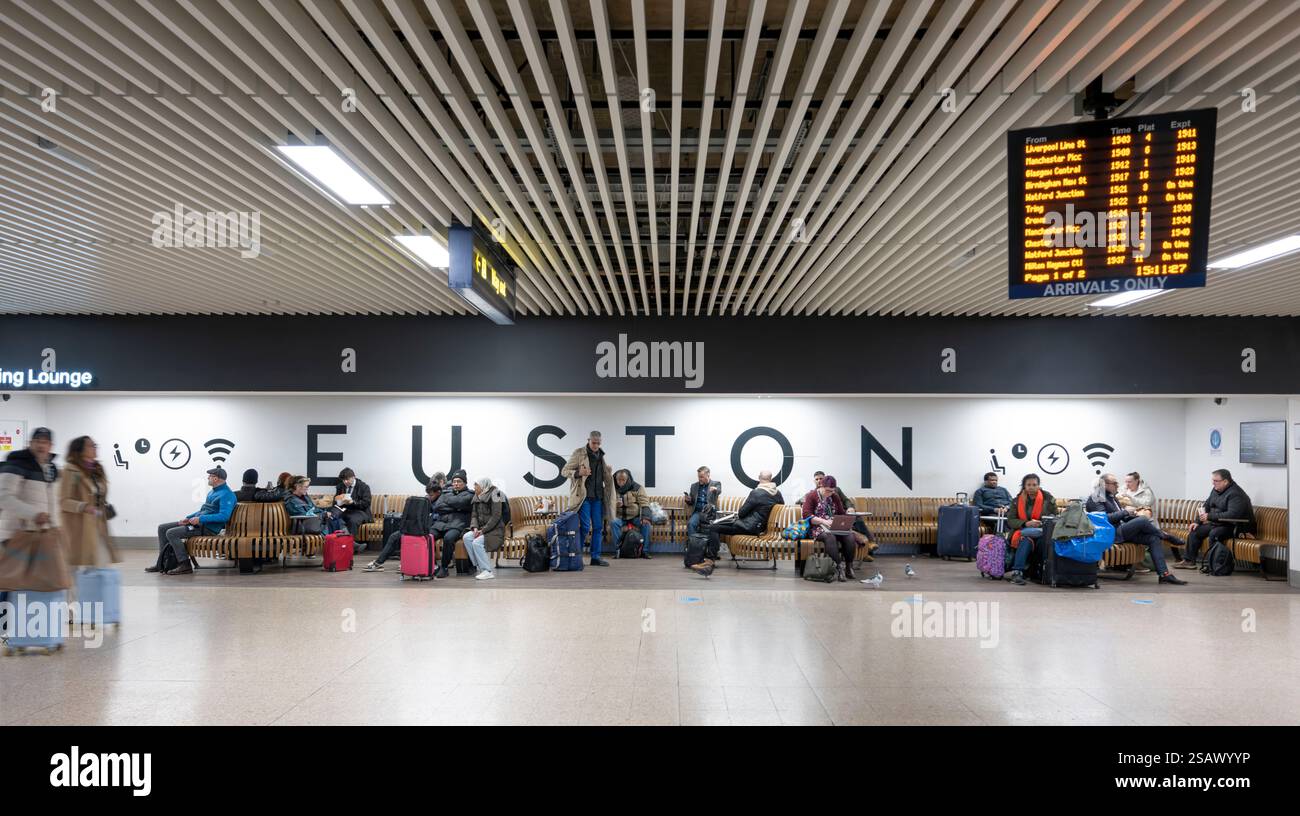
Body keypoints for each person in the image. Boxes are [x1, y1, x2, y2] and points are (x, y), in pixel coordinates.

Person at [1086, 473, 1185, 585]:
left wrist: (1132, 515)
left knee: (1153, 538)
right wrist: (1125, 512)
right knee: (1143, 520)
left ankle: (1164, 575)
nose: (1118, 485)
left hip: (1120, 530)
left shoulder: (1111, 497)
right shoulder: (1096, 498)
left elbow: (1121, 516)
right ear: (1104, 485)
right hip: (1111, 534)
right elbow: (1104, 519)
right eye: (1115, 483)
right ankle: (1166, 536)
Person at [689, 470, 783, 574]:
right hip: (760, 527)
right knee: (717, 525)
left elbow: (742, 513)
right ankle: (710, 560)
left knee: (714, 527)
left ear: (759, 478)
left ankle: (710, 561)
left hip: (748, 527)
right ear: (771, 479)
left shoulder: (757, 492)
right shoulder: (777, 493)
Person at [148, 466, 235, 575]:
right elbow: (203, 510)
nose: (208, 477)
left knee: (171, 533)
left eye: (210, 476)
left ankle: (184, 564)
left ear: (216, 479)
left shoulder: (227, 495)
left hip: (207, 528)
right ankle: (162, 563)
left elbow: (224, 516)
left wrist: (200, 519)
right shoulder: (212, 492)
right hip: (199, 524)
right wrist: (188, 518)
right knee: (162, 528)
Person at [1173, 469, 1255, 569]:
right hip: (1219, 523)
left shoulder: (1236, 494)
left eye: (1216, 481)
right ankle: (1189, 561)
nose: (1213, 483)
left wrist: (1210, 516)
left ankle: (1214, 564)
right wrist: (1197, 522)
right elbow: (1206, 505)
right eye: (1213, 480)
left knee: (1214, 534)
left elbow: (1232, 515)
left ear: (1225, 481)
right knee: (1195, 531)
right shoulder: (1216, 489)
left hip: (1236, 526)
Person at [59, 436, 119, 570]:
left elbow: (100, 494)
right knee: (77, 566)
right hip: (78, 526)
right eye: (91, 446)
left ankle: (94, 590)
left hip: (98, 525)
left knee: (100, 563)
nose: (95, 448)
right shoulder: (71, 470)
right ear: (80, 450)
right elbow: (63, 501)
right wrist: (83, 506)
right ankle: (75, 590)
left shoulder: (98, 469)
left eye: (95, 445)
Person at [0, 426, 61, 549]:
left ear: (50, 446)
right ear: (30, 443)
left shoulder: (51, 468)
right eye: (37, 441)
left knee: (44, 568)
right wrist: (34, 515)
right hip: (16, 533)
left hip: (41, 532)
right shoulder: (16, 464)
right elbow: (4, 497)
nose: (41, 445)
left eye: (45, 442)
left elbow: (52, 501)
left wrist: (54, 525)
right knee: (15, 568)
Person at [561, 431, 614, 566]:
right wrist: (579, 472)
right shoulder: (579, 453)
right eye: (593, 442)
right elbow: (564, 471)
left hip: (597, 497)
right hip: (583, 497)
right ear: (588, 440)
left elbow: (604, 478)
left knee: (597, 528)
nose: (596, 445)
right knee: (584, 527)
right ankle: (576, 556)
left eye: (598, 443)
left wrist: (608, 472)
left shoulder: (601, 456)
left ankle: (595, 558)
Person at [364, 481, 442, 572]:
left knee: (420, 539)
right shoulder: (425, 501)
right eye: (427, 494)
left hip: (432, 528)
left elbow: (438, 517)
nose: (429, 496)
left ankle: (417, 564)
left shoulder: (443, 501)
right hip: (418, 528)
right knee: (394, 536)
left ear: (438, 493)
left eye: (431, 495)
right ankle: (378, 563)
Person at [1117, 471, 1186, 566]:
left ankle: (1147, 565)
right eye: (1126, 481)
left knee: (1148, 531)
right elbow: (1118, 502)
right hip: (1127, 520)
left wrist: (1130, 499)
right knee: (1151, 534)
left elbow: (1146, 503)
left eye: (1130, 482)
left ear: (1137, 481)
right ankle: (1165, 536)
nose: (1127, 484)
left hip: (1146, 521)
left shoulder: (1146, 491)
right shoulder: (1122, 490)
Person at [1004, 473, 1056, 586]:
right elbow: (1011, 520)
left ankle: (1042, 572)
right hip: (1022, 531)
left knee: (1045, 542)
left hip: (1042, 532)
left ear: (1038, 485)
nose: (1031, 487)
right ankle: (1017, 572)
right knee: (1025, 541)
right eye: (1028, 485)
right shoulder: (1017, 500)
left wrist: (1042, 523)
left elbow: (1054, 516)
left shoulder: (1048, 498)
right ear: (1024, 486)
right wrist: (1026, 523)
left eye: (1034, 484)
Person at [804, 474, 855, 581]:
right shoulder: (811, 496)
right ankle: (839, 566)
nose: (830, 493)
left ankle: (849, 567)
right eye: (827, 490)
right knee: (829, 536)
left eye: (832, 491)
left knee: (849, 536)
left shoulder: (834, 496)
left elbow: (841, 513)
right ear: (821, 487)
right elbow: (807, 516)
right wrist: (824, 521)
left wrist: (844, 520)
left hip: (833, 525)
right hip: (817, 526)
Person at [432, 470, 474, 578]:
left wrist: (449, 502)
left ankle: (444, 567)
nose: (456, 484)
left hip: (458, 524)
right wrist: (457, 507)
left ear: (465, 483)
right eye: (454, 481)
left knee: (448, 538)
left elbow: (461, 503)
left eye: (459, 481)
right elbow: (437, 507)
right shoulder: (446, 493)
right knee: (428, 537)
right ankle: (432, 565)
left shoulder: (469, 495)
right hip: (441, 523)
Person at [463, 477, 506, 580]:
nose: (474, 487)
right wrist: (475, 528)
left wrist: (483, 531)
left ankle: (487, 571)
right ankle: (480, 566)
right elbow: (474, 515)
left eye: (476, 485)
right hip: (482, 529)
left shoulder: (497, 493)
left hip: (495, 530)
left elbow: (496, 516)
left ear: (483, 485)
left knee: (476, 543)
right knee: (467, 537)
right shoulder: (477, 496)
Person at [610, 468, 653, 560]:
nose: (620, 482)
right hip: (620, 517)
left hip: (634, 517)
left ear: (628, 479)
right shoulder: (612, 488)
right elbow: (606, 503)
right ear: (615, 479)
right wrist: (614, 504)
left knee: (646, 524)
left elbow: (644, 503)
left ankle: (644, 551)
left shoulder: (637, 488)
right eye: (618, 480)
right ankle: (618, 550)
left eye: (623, 480)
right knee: (613, 522)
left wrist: (645, 517)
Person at [330, 467, 372, 552]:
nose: (345, 482)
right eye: (343, 480)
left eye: (347, 479)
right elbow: (335, 501)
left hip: (360, 511)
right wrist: (339, 502)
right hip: (345, 510)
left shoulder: (364, 487)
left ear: (353, 477)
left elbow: (366, 503)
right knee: (333, 516)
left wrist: (353, 502)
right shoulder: (340, 486)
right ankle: (343, 544)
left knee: (352, 520)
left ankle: (349, 547)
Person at [684, 466, 721, 537]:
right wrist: (688, 500)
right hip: (698, 512)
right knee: (691, 524)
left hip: (710, 512)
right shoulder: (694, 486)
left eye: (701, 477)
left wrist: (715, 489)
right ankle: (694, 544)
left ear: (708, 475)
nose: (699, 479)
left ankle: (712, 546)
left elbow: (719, 491)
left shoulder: (716, 483)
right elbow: (691, 502)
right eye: (698, 477)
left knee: (715, 526)